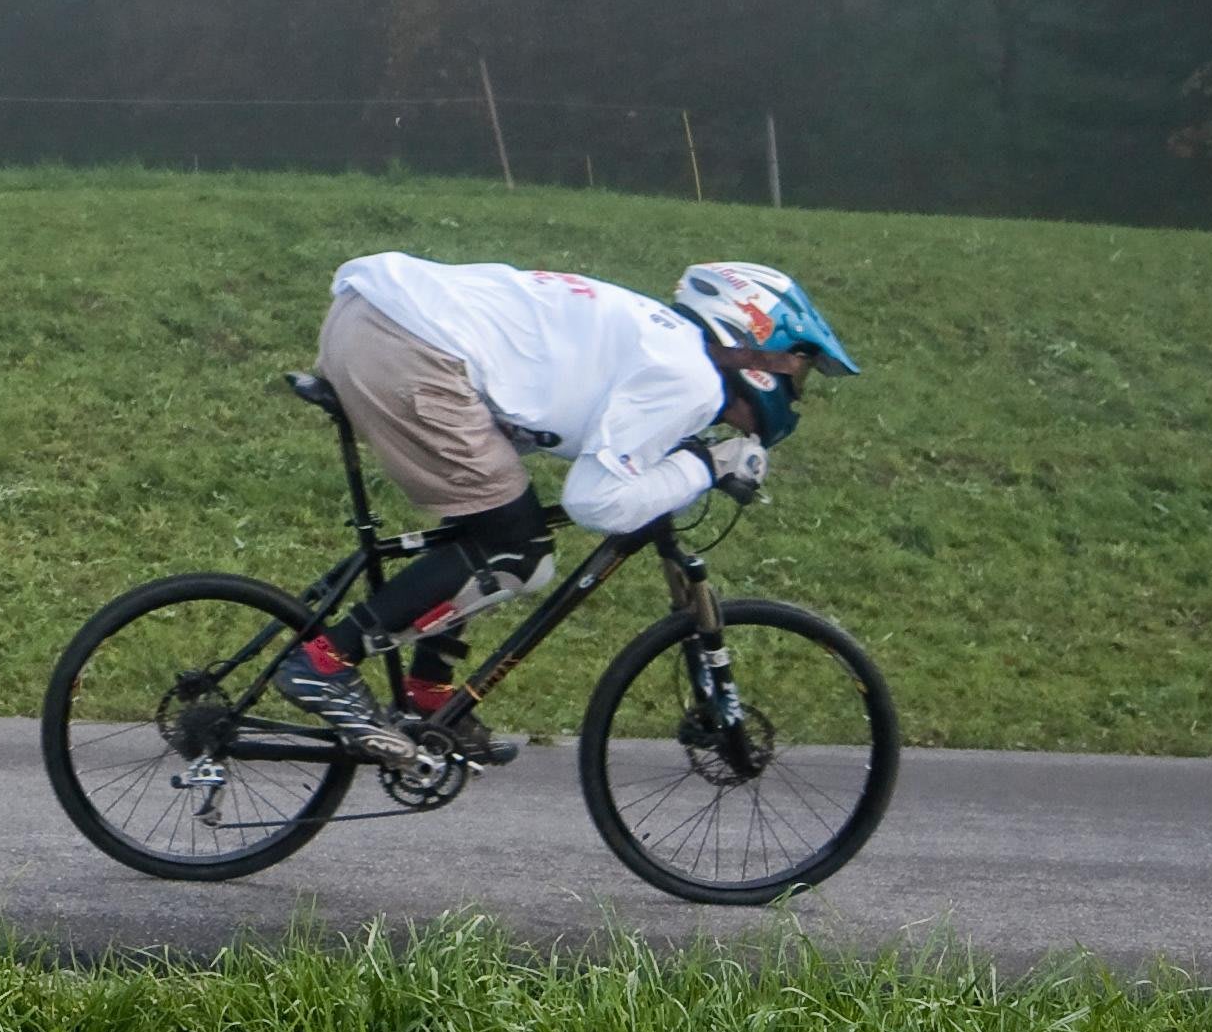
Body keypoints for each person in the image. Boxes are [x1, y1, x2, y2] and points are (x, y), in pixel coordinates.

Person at [273, 253, 859, 762]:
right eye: (800, 372)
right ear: (759, 345)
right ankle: (324, 662)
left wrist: (682, 459)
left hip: (377, 319)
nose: (797, 394)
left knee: (494, 520)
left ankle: (428, 691)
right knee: (520, 553)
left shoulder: (660, 341)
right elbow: (595, 501)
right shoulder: (691, 376)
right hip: (408, 344)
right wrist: (709, 465)